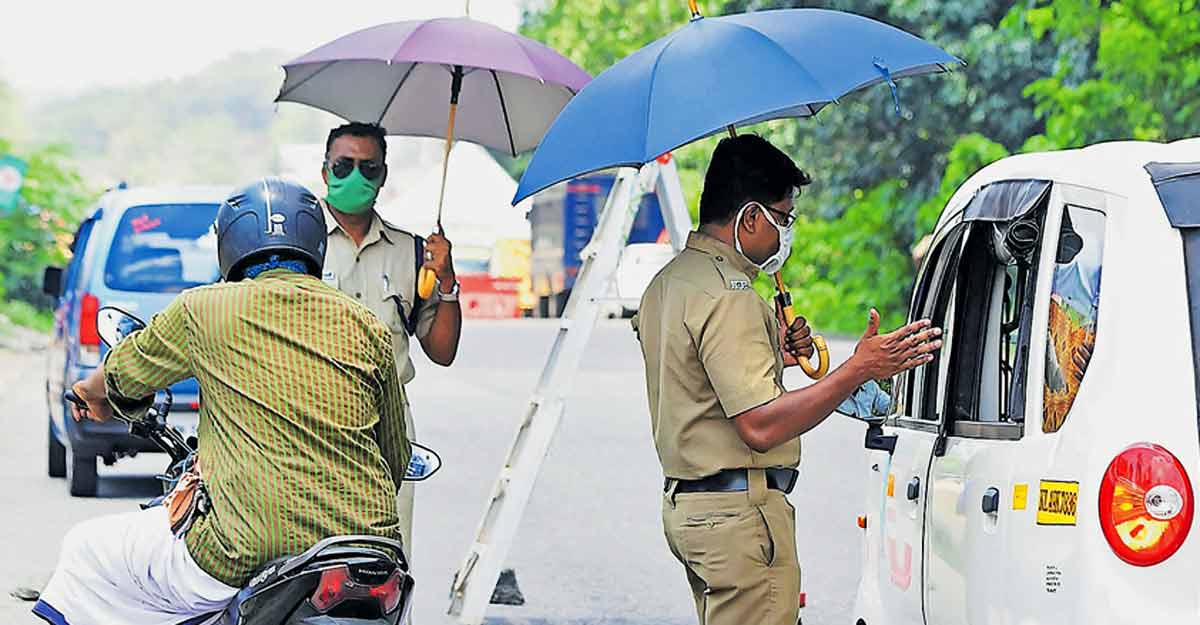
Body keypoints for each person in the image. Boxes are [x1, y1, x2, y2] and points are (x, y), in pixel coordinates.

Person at [35, 178, 411, 625]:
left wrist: (88, 393)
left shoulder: (202, 309)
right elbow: (395, 453)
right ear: (316, 244)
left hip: (244, 549)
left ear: (229, 244)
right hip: (370, 554)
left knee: (86, 547)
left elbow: (123, 371)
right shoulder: (366, 324)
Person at [633, 135, 942, 625]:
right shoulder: (729, 296)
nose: (787, 233)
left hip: (694, 511)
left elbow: (696, 373)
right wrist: (859, 368)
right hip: (738, 516)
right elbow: (760, 425)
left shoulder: (673, 282)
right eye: (784, 217)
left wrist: (772, 350)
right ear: (751, 218)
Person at [317, 122, 463, 553]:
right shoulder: (299, 244)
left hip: (388, 427)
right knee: (314, 557)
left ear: (383, 176)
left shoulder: (412, 252)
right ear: (325, 172)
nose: (355, 177)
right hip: (313, 419)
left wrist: (447, 280)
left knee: (385, 555)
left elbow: (442, 351)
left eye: (368, 168)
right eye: (343, 166)